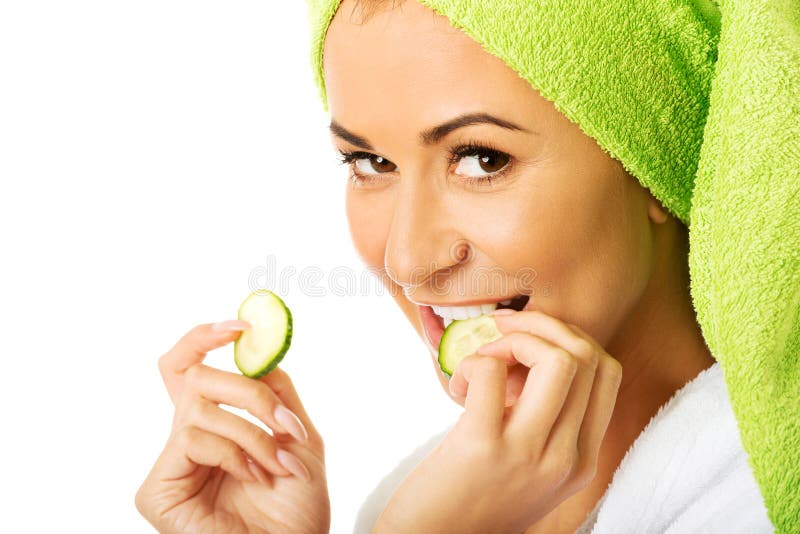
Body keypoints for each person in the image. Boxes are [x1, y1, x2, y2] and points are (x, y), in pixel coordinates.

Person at [137, 0, 798, 531]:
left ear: (652, 158)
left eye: (481, 158)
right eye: (371, 163)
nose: (408, 260)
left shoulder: (762, 504)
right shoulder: (423, 496)